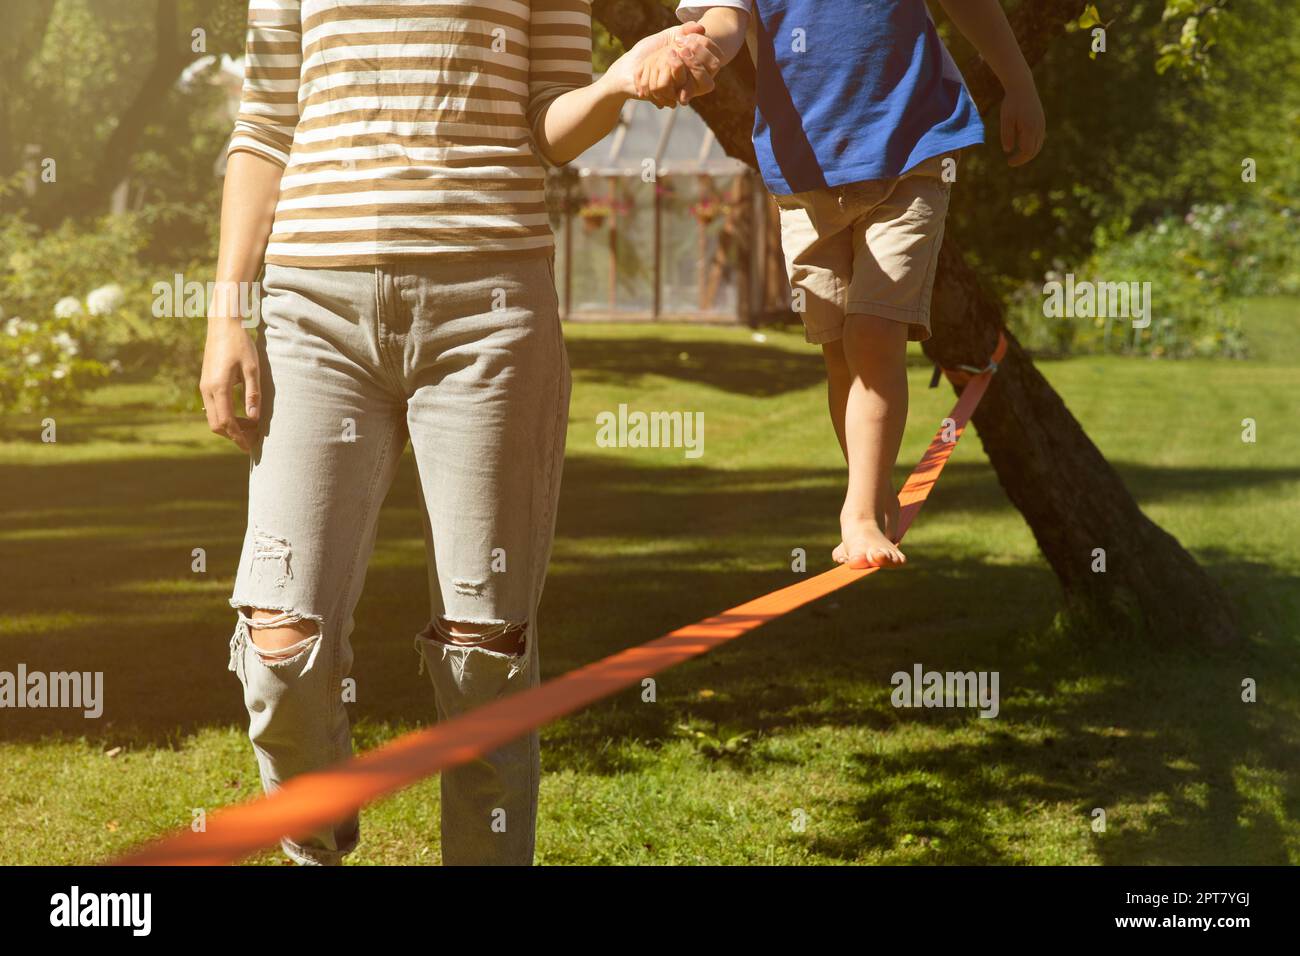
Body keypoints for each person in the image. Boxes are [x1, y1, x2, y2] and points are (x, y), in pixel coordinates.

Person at [200, 0, 721, 866]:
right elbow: (263, 125)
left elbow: (549, 123)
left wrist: (618, 80)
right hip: (312, 308)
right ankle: (319, 827)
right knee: (278, 640)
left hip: (488, 312)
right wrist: (227, 312)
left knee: (487, 654)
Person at [640, 0, 1045, 568]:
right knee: (840, 355)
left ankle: (855, 516)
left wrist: (1019, 83)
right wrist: (695, 46)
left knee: (872, 334)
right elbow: (728, 21)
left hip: (910, 150)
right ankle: (871, 491)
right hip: (804, 173)